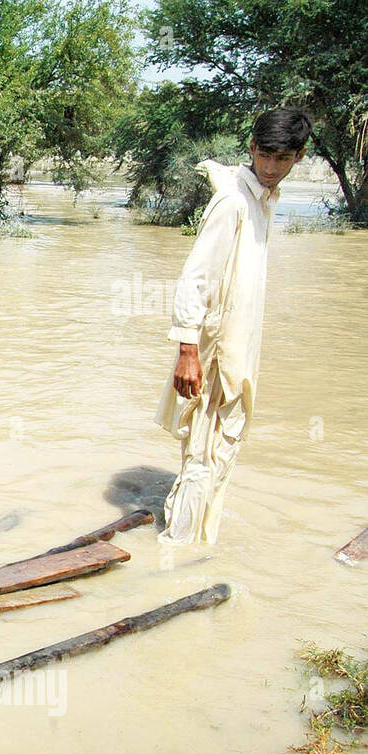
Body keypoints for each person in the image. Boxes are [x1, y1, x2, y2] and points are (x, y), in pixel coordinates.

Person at [155, 107, 311, 545]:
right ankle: (176, 553)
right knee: (204, 455)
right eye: (265, 156)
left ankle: (199, 543)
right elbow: (195, 277)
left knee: (220, 450)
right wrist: (187, 351)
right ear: (252, 149)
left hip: (237, 352)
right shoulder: (234, 202)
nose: (271, 167)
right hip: (212, 355)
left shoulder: (261, 198)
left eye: (283, 159)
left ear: (298, 158)